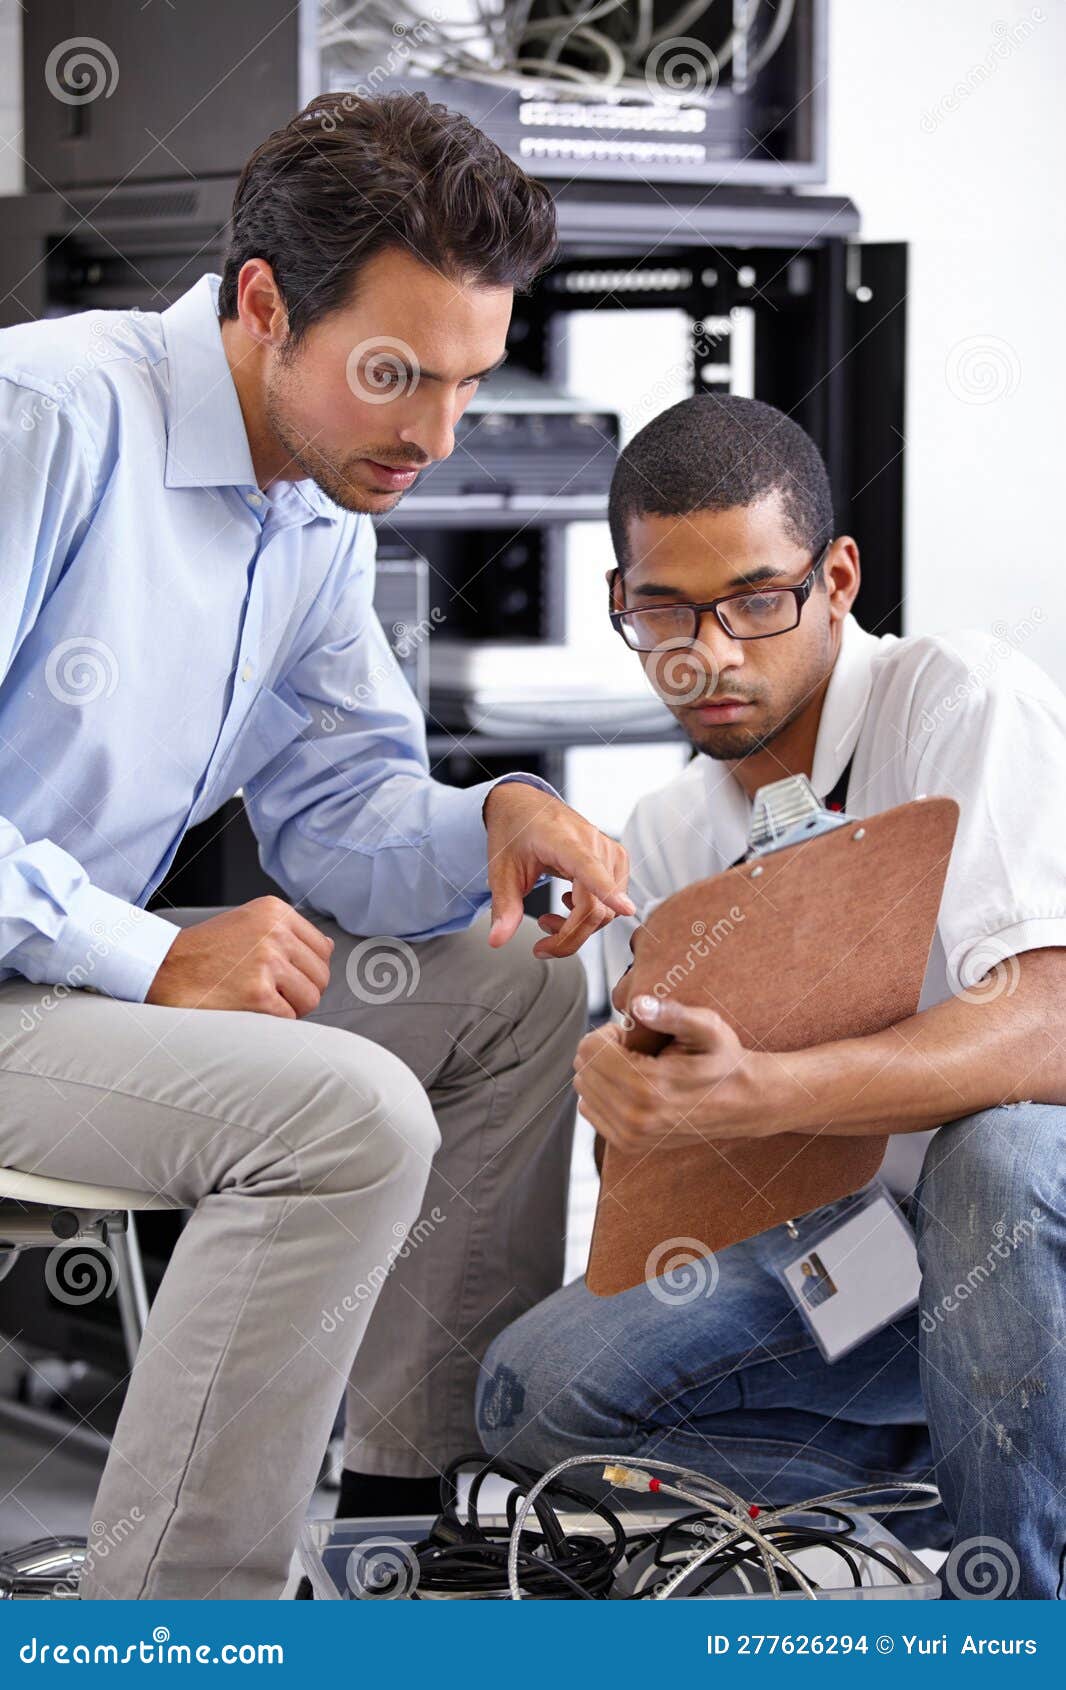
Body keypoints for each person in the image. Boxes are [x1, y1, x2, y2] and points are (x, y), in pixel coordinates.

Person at [0, 91, 634, 1599]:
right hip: (41, 981)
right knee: (348, 1118)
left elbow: (342, 819)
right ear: (265, 305)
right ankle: (177, 1622)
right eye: (396, 374)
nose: (433, 433)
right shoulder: (47, 414)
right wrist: (148, 953)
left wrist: (496, 816)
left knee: (522, 992)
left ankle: (414, 1521)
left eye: (469, 382)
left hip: (61, 993)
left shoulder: (317, 507)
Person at [478, 394, 1066, 1598]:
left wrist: (762, 1089)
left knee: (994, 1155)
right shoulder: (666, 833)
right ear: (618, 603)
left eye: (756, 601)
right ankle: (971, 1472)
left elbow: (1048, 1025)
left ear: (838, 579)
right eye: (661, 610)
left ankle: (1017, 1607)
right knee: (533, 1396)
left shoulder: (963, 702)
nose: (710, 652)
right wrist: (633, 1107)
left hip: (1026, 1228)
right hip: (870, 1256)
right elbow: (686, 1201)